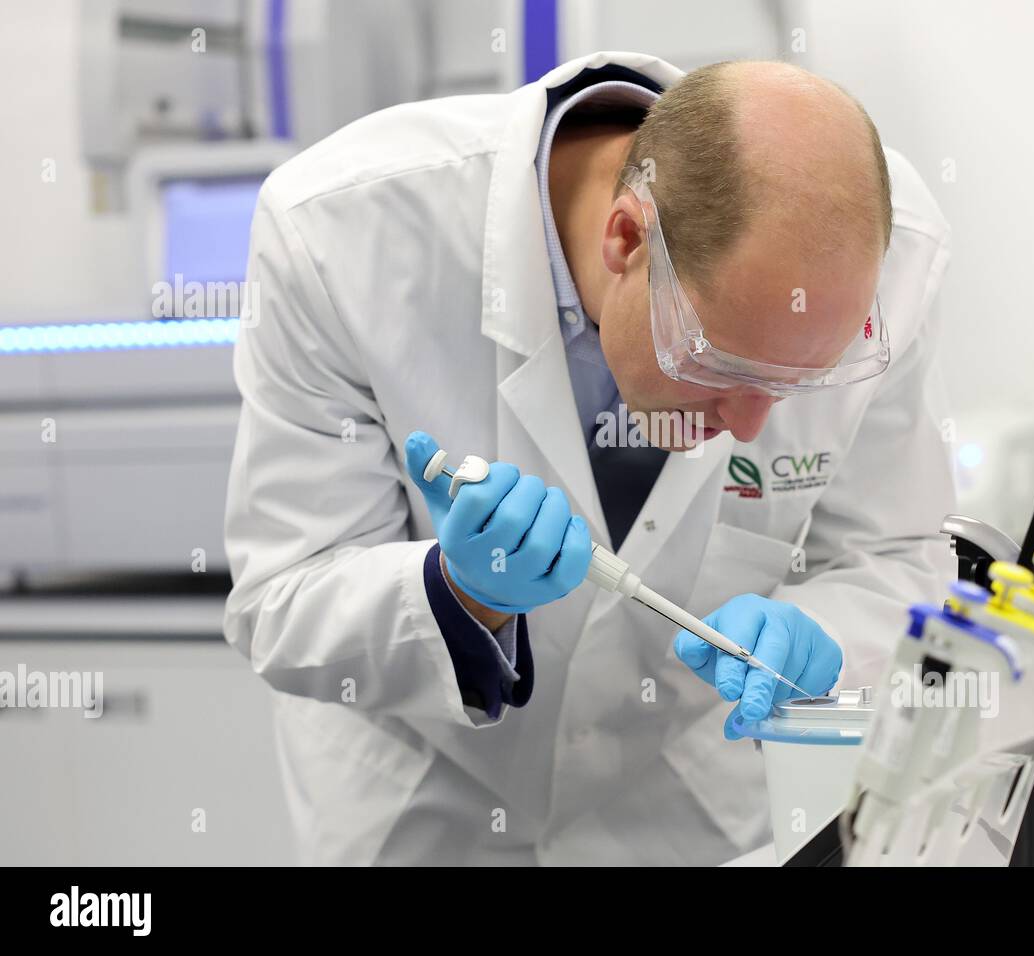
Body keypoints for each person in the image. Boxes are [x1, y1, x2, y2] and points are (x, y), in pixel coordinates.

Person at [223, 51, 955, 865]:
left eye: (797, 383)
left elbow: (892, 554)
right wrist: (455, 595)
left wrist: (822, 637)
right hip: (425, 804)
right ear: (626, 237)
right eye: (722, 367)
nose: (752, 427)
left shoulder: (884, 250)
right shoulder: (339, 231)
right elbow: (279, 599)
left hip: (691, 807)